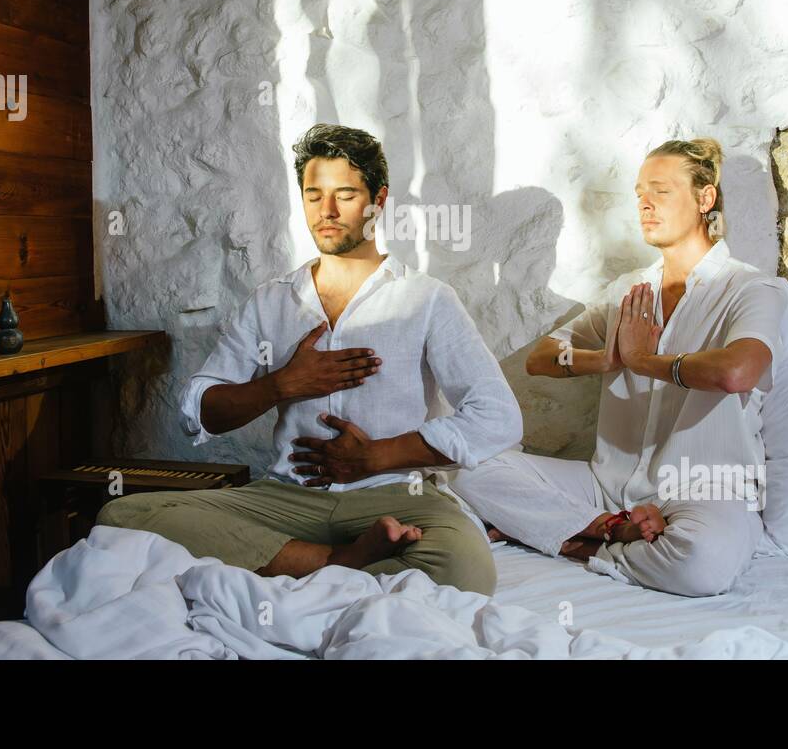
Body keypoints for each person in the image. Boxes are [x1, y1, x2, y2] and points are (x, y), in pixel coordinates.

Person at [96, 124, 521, 596]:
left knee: (463, 570)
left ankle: (295, 567)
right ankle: (340, 563)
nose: (328, 212)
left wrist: (375, 456)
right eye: (313, 195)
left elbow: (497, 417)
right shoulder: (270, 302)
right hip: (286, 498)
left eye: (345, 194)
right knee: (123, 517)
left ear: (378, 199)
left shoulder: (427, 300)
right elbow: (200, 409)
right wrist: (280, 385)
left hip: (397, 496)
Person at [448, 137, 785, 597]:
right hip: (606, 485)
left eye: (661, 191)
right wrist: (604, 358)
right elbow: (541, 357)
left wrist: (644, 361)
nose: (644, 203)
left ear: (704, 198)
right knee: (470, 469)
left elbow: (737, 373)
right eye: (639, 193)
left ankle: (582, 544)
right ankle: (605, 527)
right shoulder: (630, 291)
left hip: (704, 490)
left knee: (703, 564)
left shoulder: (749, 288)